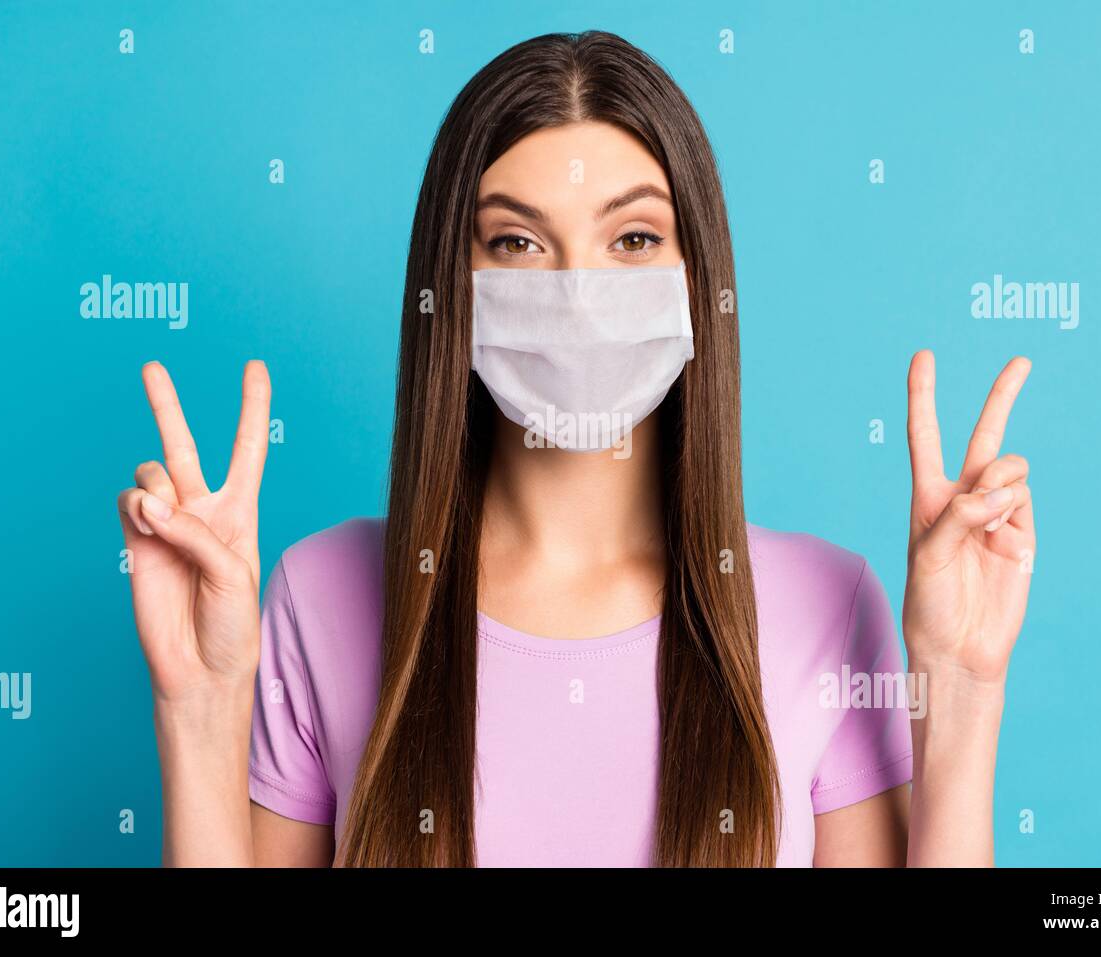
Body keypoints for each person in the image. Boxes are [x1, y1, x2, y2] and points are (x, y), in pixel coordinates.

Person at [117, 31, 1034, 867]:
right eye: (516, 242)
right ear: (452, 285)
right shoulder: (320, 595)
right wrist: (196, 709)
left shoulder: (825, 605)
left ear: (695, 280)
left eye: (633, 238)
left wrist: (959, 694)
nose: (578, 295)